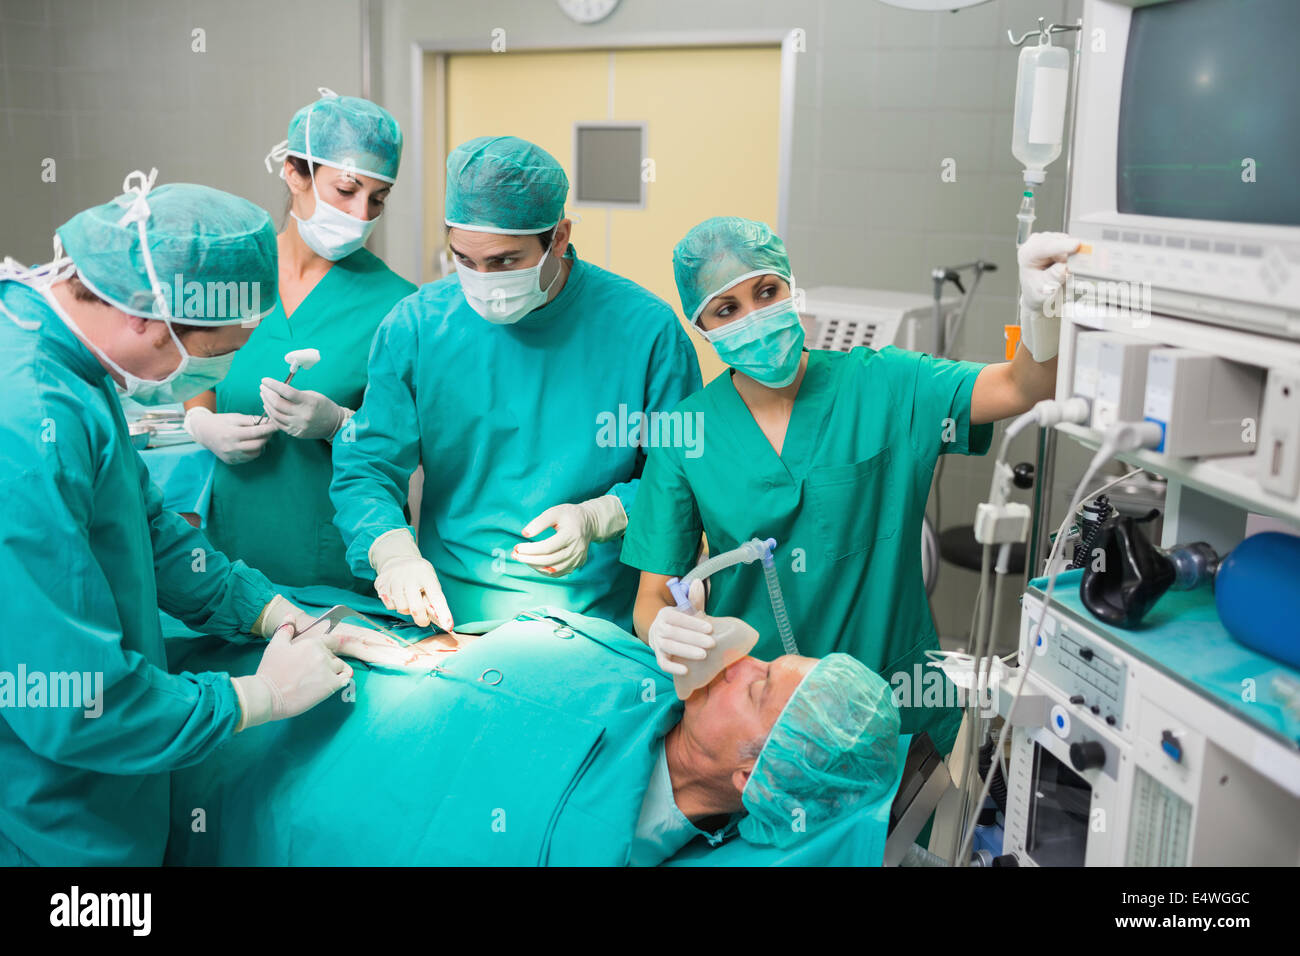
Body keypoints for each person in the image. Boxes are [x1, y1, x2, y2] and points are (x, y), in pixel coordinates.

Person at [0, 172, 418, 866]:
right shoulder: (27, 422)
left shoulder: (71, 357)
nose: (205, 373)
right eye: (211, 351)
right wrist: (254, 697)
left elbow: (149, 531)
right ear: (143, 314)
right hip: (40, 821)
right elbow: (74, 704)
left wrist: (272, 611)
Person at [621, 217, 1078, 754]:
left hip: (895, 696)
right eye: (727, 310)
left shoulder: (884, 383)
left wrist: (1040, 312)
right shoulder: (687, 434)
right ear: (703, 327)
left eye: (767, 292)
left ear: (791, 287)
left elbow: (1023, 386)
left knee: (907, 832)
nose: (755, 318)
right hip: (761, 712)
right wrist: (662, 629)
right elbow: (652, 597)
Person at [164, 605, 901, 866]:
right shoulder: (640, 680)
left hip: (285, 778)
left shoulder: (612, 839)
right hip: (322, 667)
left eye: (760, 685)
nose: (743, 663)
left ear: (753, 776)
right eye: (767, 661)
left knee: (158, 766)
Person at [330, 136, 702, 633]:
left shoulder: (645, 330)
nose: (484, 280)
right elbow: (367, 465)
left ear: (560, 237)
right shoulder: (417, 327)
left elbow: (681, 477)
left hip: (592, 624)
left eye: (505, 261)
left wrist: (600, 516)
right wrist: (393, 552)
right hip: (447, 618)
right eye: (465, 260)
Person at [184, 89, 417, 591]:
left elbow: (413, 443)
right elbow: (193, 362)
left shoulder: (400, 304)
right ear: (294, 172)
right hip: (233, 545)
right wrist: (199, 420)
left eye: (377, 198)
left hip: (337, 556)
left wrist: (339, 426)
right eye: (347, 190)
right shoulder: (234, 275)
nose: (361, 214)